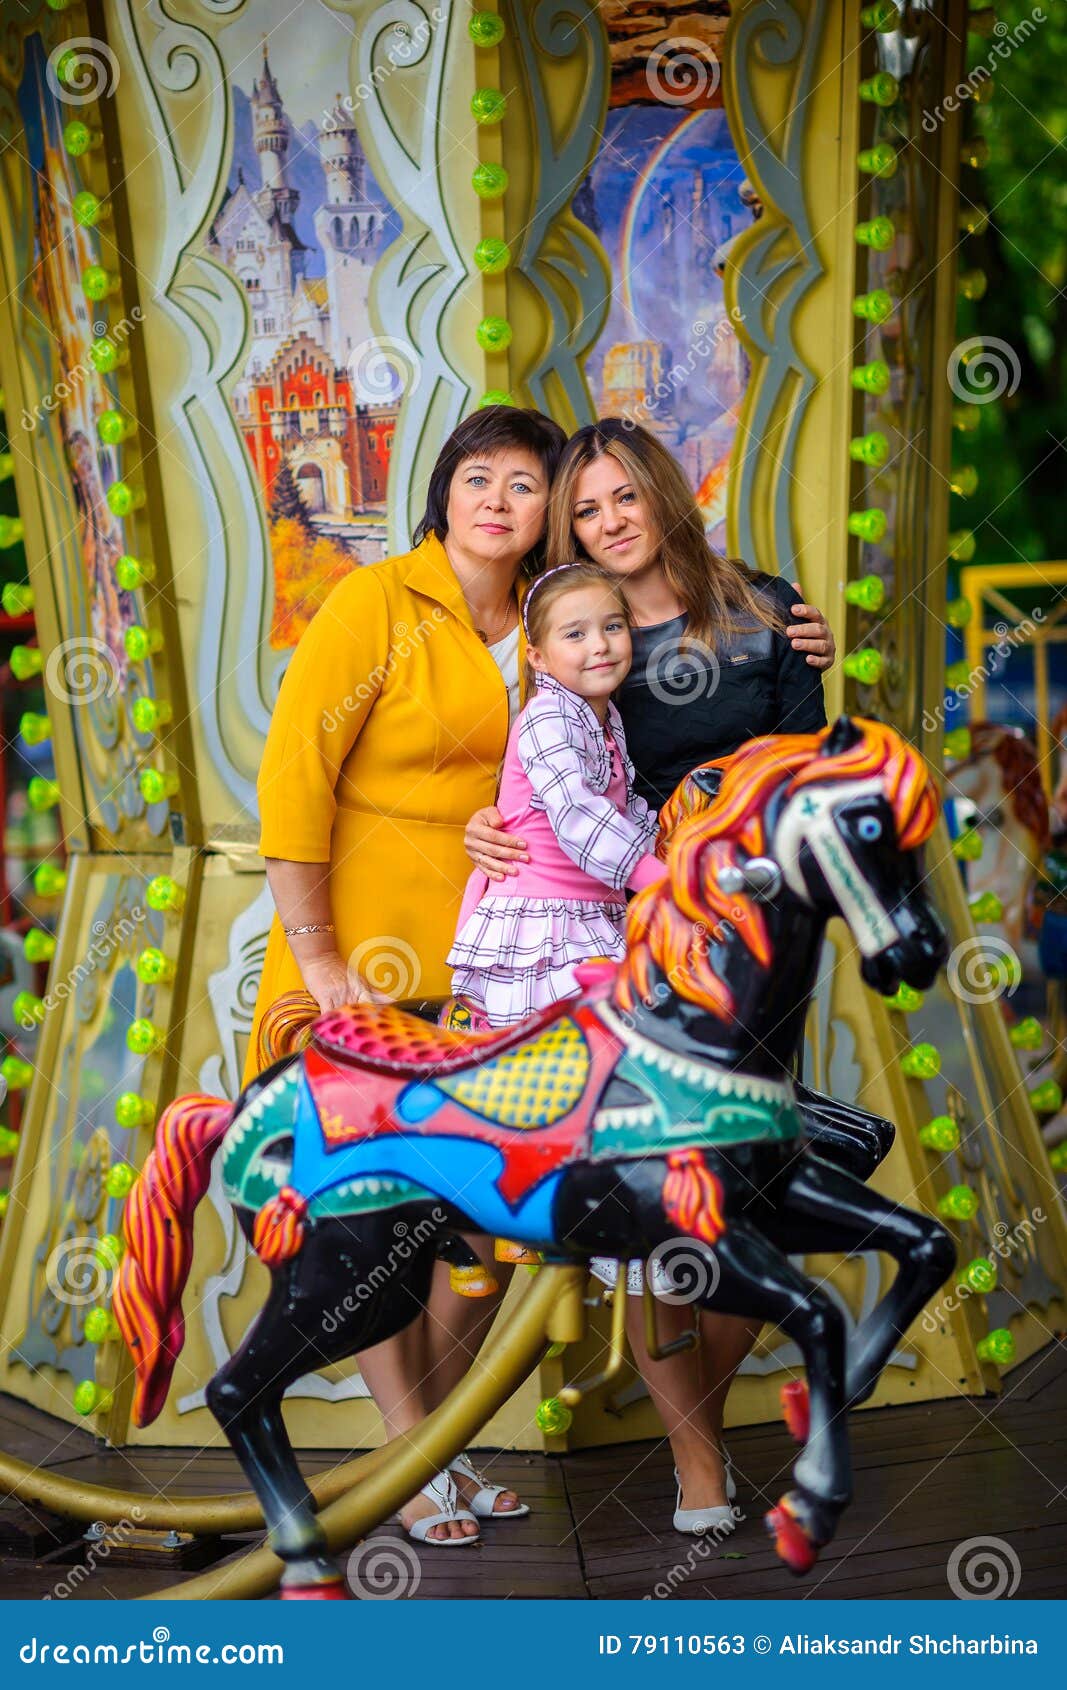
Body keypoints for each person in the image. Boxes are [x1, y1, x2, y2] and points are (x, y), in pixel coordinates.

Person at [247, 408, 835, 1543]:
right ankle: (422, 1460)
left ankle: (445, 1452)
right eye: (484, 480)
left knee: (510, 1209)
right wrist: (321, 949)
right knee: (411, 1207)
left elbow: (568, 769)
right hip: (415, 942)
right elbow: (305, 775)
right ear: (446, 491)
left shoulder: (579, 616)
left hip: (574, 945)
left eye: (529, 486)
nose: (505, 503)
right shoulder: (399, 605)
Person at [463, 418, 829, 1536]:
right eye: (584, 509)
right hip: (646, 935)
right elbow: (542, 775)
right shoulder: (578, 635)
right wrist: (486, 823)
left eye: (624, 496)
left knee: (757, 1195)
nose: (609, 521)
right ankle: (696, 1459)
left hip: (758, 933)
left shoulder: (765, 614)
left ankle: (707, 1416)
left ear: (664, 493)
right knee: (668, 1201)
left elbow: (807, 771)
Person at [449, 562, 664, 1026]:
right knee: (567, 1048)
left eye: (613, 626)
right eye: (575, 634)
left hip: (593, 910)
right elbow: (578, 815)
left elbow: (626, 812)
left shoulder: (605, 719)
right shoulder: (548, 716)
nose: (599, 645)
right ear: (538, 658)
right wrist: (663, 881)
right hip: (545, 920)